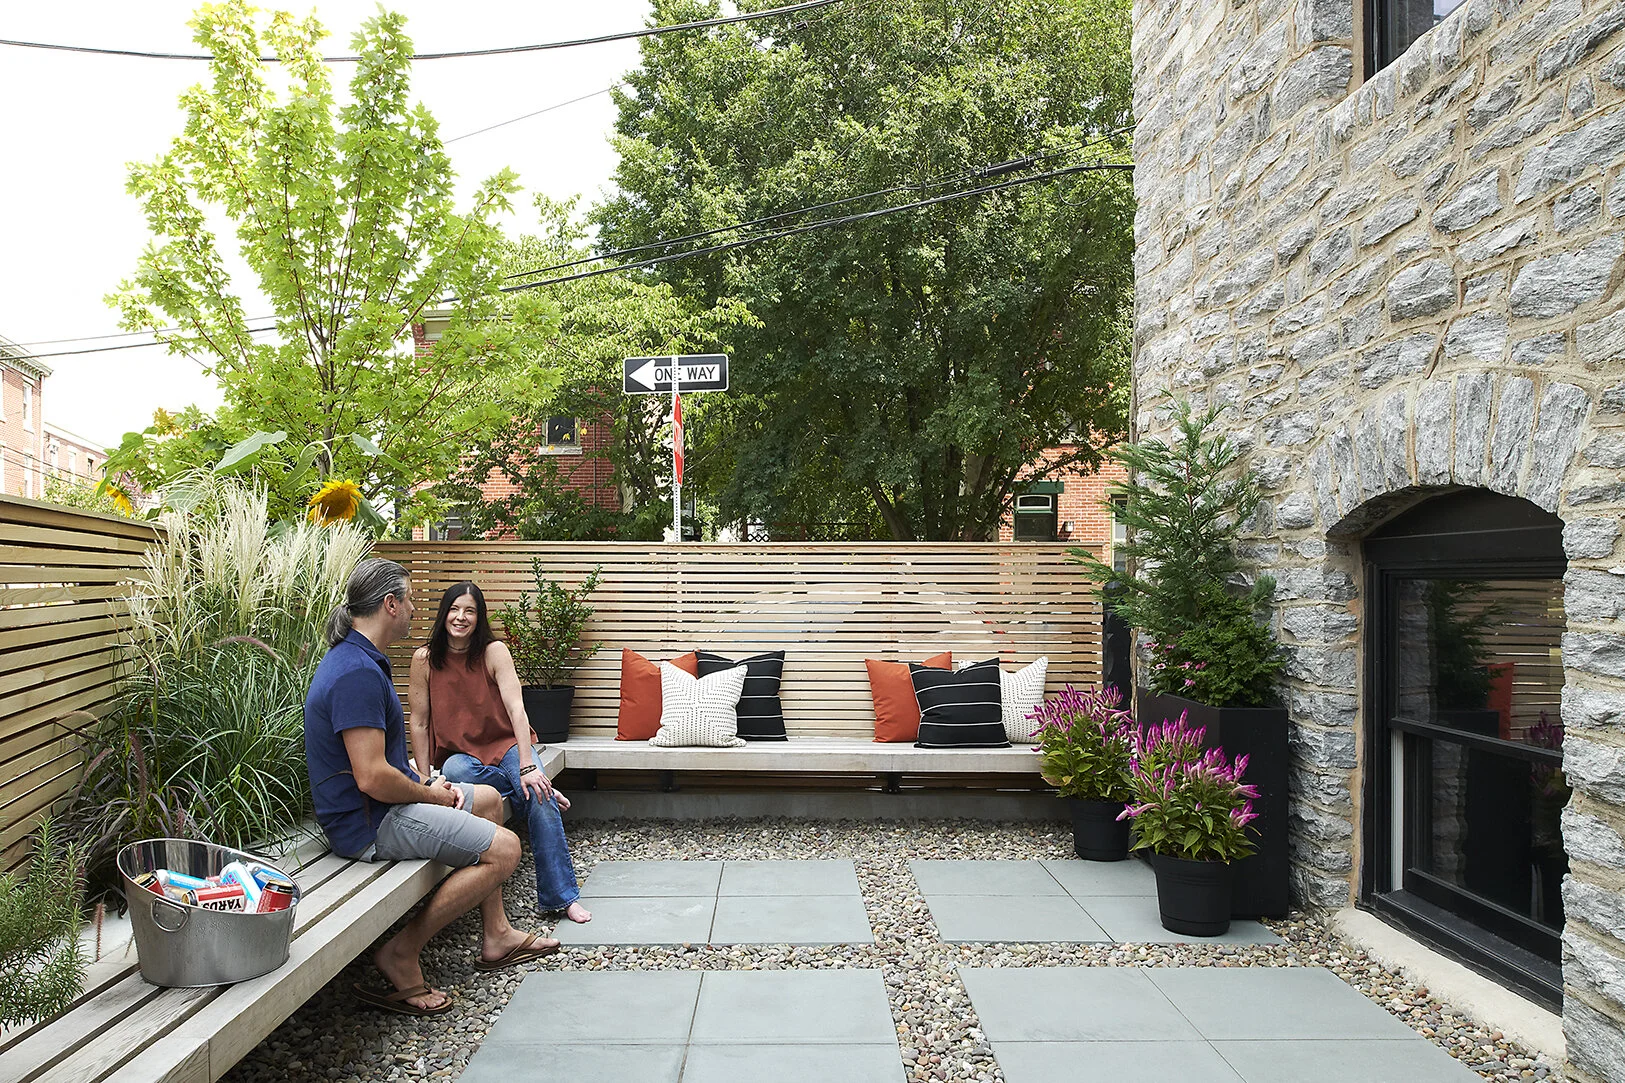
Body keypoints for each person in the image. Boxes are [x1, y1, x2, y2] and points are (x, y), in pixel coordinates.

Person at [305, 558, 560, 1017]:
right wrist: (432, 794)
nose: (413, 610)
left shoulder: (360, 659)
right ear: (390, 605)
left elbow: (379, 764)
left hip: (380, 807)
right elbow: (371, 777)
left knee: (488, 801)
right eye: (408, 600)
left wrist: (425, 780)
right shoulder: (356, 673)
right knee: (505, 851)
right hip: (368, 825)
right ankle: (402, 952)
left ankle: (497, 934)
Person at [408, 582, 591, 924]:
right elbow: (418, 722)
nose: (461, 617)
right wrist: (424, 778)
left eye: (470, 611)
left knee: (539, 794)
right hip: (459, 754)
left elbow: (516, 709)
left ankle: (563, 897)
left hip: (506, 744)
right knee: (460, 773)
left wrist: (527, 766)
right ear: (444, 613)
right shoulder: (425, 659)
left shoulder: (494, 652)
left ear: (479, 617)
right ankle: (537, 789)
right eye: (454, 609)